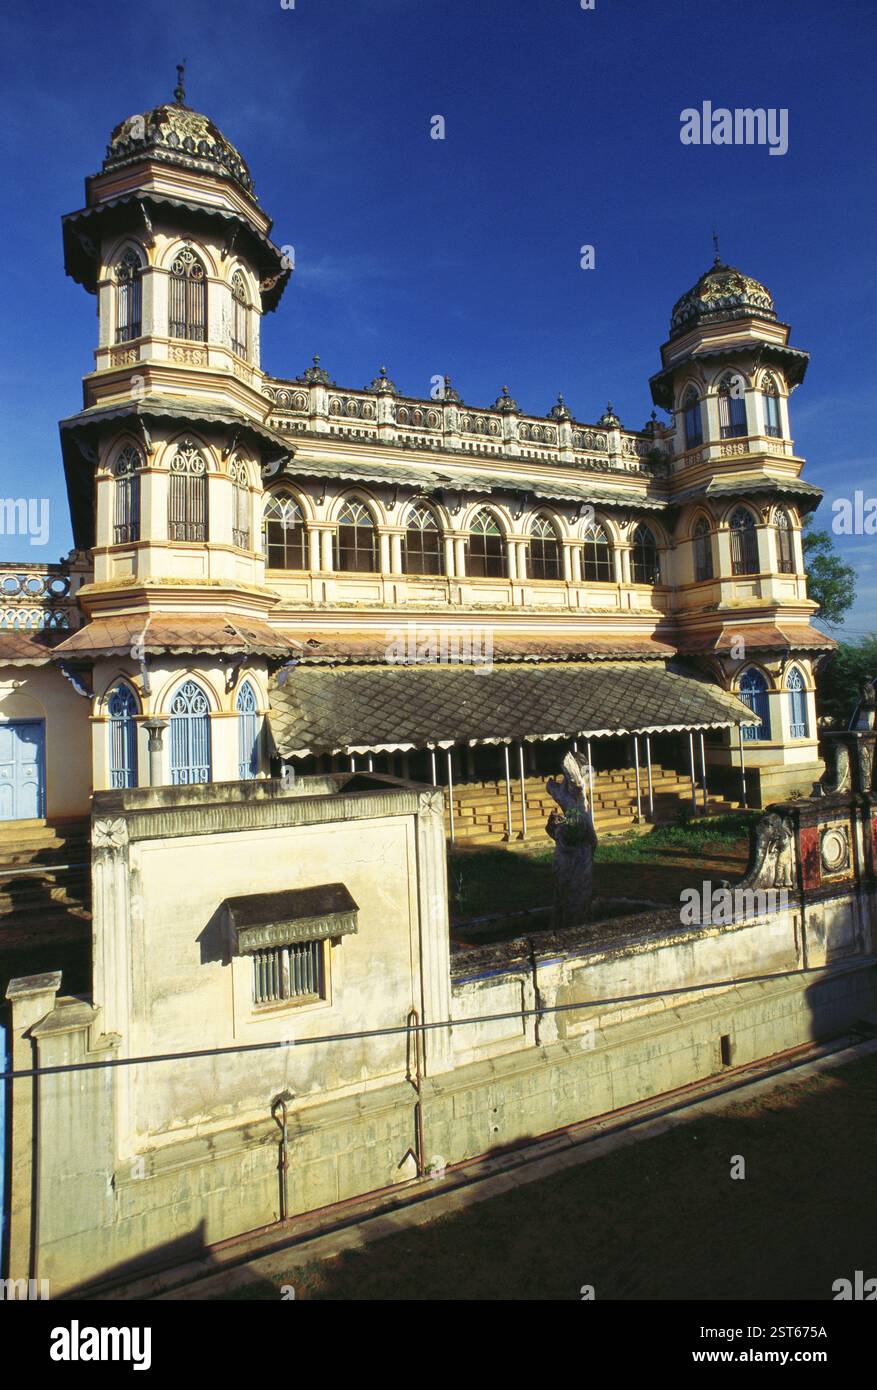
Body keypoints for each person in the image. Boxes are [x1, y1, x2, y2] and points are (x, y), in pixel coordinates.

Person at [546, 752, 598, 929]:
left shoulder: (579, 800)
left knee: (577, 899)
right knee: (564, 895)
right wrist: (558, 827)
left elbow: (582, 833)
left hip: (579, 855)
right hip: (568, 857)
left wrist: (561, 829)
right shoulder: (568, 798)